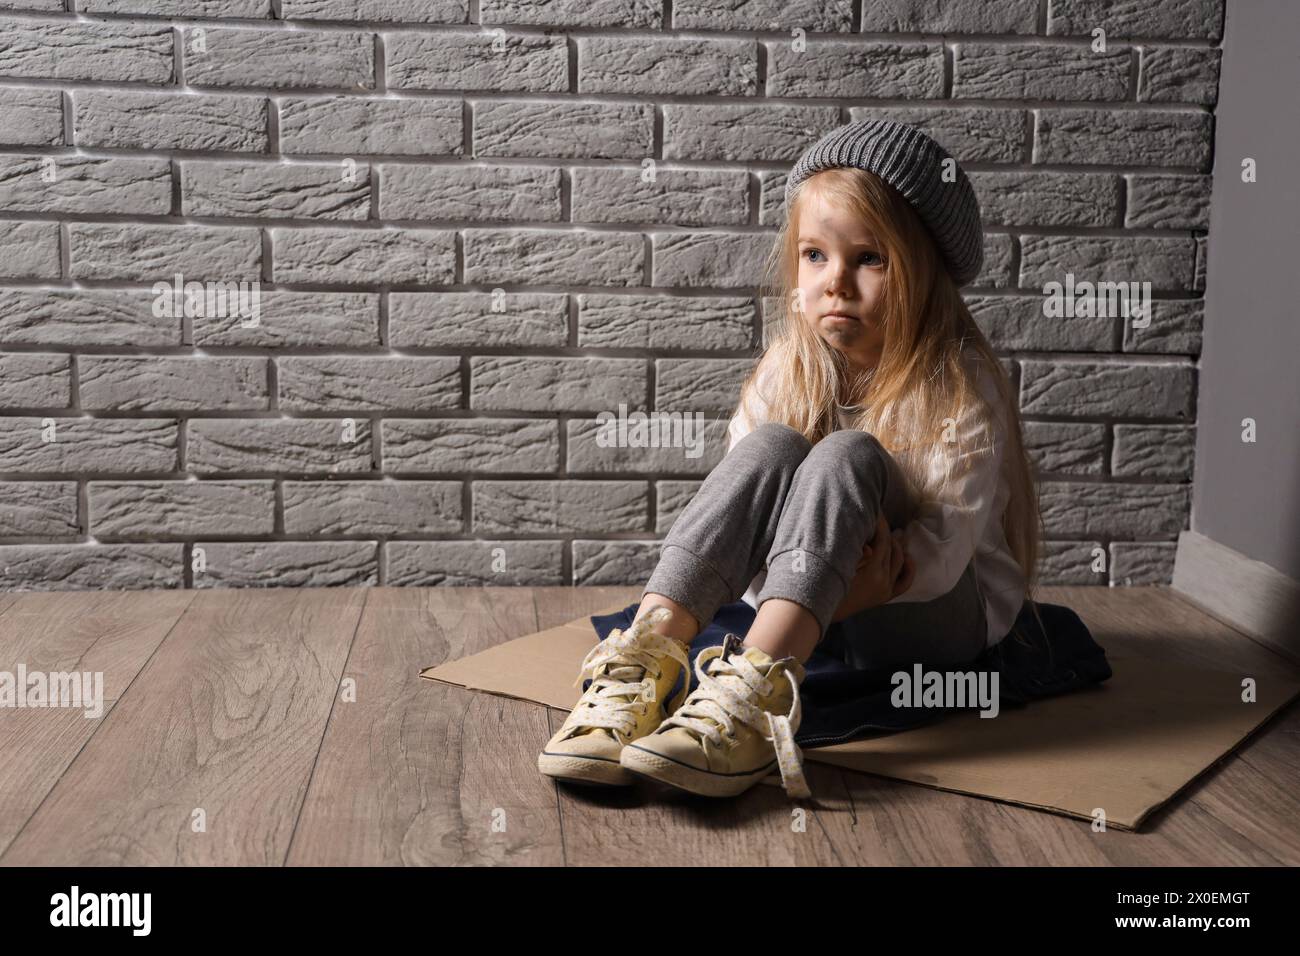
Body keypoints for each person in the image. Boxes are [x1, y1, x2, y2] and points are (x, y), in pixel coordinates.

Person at [539, 119, 1042, 800]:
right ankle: (640, 667)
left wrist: (854, 591)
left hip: (924, 612)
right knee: (773, 445)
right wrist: (825, 592)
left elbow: (945, 553)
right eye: (815, 255)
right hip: (822, 604)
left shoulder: (958, 382)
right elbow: (741, 539)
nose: (836, 283)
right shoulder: (789, 367)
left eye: (870, 259)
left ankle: (751, 703)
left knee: (845, 454)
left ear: (927, 273)